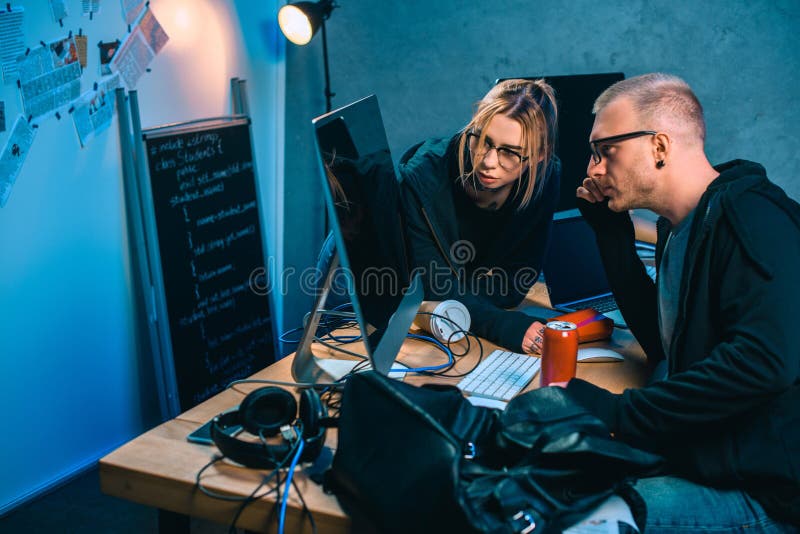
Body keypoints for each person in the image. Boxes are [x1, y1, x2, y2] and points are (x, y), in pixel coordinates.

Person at [561, 73, 799, 531]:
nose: (591, 170)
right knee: (559, 480)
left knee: (585, 518)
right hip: (715, 449)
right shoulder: (676, 226)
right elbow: (664, 344)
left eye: (603, 151)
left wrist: (619, 413)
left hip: (768, 491)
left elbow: (766, 361)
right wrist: (612, 237)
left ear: (659, 147)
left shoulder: (753, 217)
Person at [399, 79, 560, 354]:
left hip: (452, 323)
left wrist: (454, 298)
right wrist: (501, 324)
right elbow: (432, 286)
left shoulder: (545, 178)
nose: (488, 161)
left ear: (539, 156)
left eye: (510, 152)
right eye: (481, 140)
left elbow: (516, 283)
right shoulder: (420, 179)